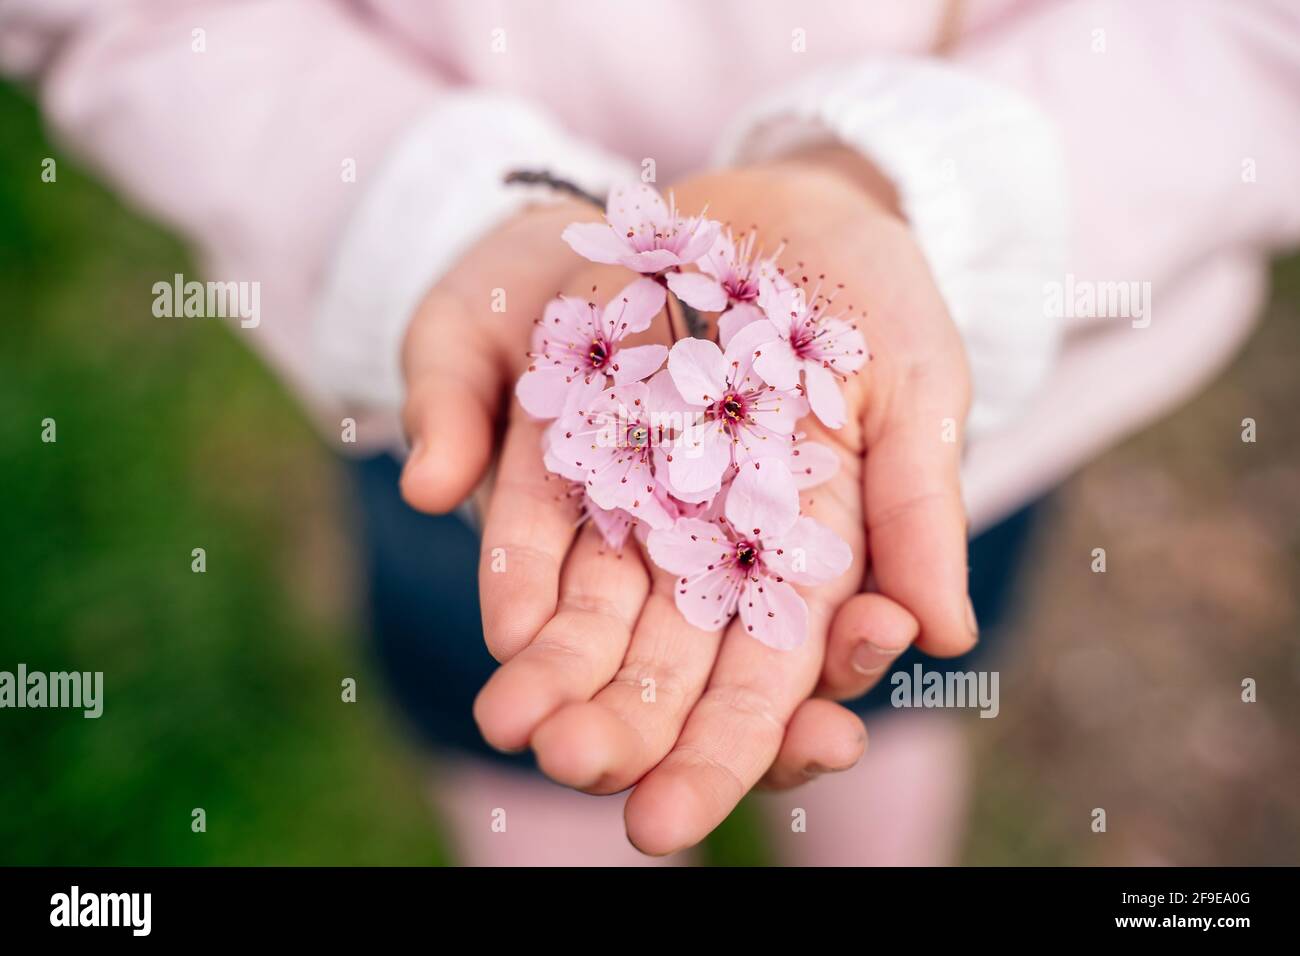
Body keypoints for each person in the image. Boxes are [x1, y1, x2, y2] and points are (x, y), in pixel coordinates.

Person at [4, 0, 1296, 865]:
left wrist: (898, 184)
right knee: (520, 711)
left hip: (970, 400)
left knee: (892, 674)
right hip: (453, 372)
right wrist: (428, 205)